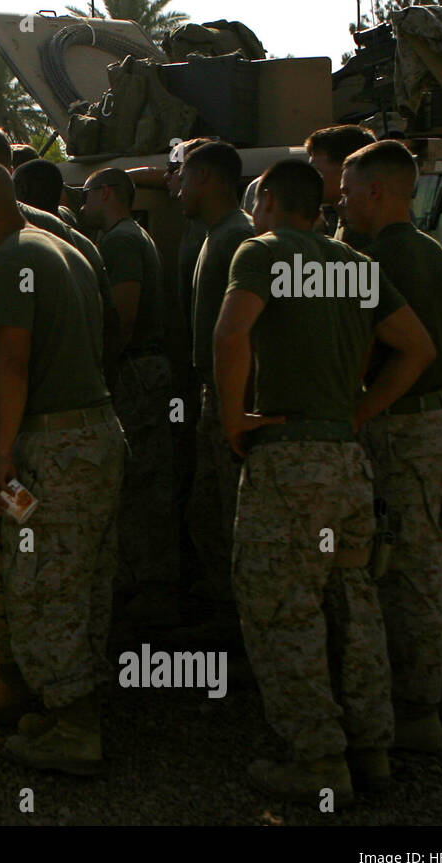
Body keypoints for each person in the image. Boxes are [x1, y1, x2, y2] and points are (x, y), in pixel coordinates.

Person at [214, 159, 436, 802]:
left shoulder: (260, 252)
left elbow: (231, 336)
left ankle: (314, 761)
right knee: (354, 602)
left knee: (284, 609)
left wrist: (235, 420)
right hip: (346, 461)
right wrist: (359, 411)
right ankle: (371, 750)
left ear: (269, 204)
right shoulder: (357, 267)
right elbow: (417, 348)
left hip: (287, 461)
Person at [0, 124, 117, 724]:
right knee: (83, 571)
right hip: (96, 432)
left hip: (32, 434)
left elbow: (8, 360)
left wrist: (3, 452)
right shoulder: (68, 241)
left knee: (27, 562)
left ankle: (46, 702)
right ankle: (76, 693)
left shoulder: (4, 257)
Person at [339, 139, 442, 748]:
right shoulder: (439, 256)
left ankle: (416, 713)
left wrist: (363, 412)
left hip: (402, 432)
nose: (340, 204)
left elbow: (386, 353)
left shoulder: (373, 261)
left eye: (347, 192)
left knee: (407, 571)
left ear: (376, 191)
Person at [83, 167, 179, 622]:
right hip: (144, 369)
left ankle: (152, 589)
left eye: (87, 197)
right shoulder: (131, 235)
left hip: (135, 371)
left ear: (106, 194)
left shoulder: (121, 240)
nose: (83, 208)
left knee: (141, 482)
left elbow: (122, 316)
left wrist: (100, 369)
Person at [178, 141, 253, 603]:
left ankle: (243, 626)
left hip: (233, 394)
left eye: (184, 177)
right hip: (215, 391)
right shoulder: (215, 235)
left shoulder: (234, 237)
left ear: (204, 178)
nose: (178, 189)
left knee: (232, 513)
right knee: (207, 511)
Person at [304, 125, 374, 247]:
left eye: (317, 171)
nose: (309, 178)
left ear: (346, 170)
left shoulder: (364, 234)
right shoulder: (337, 220)